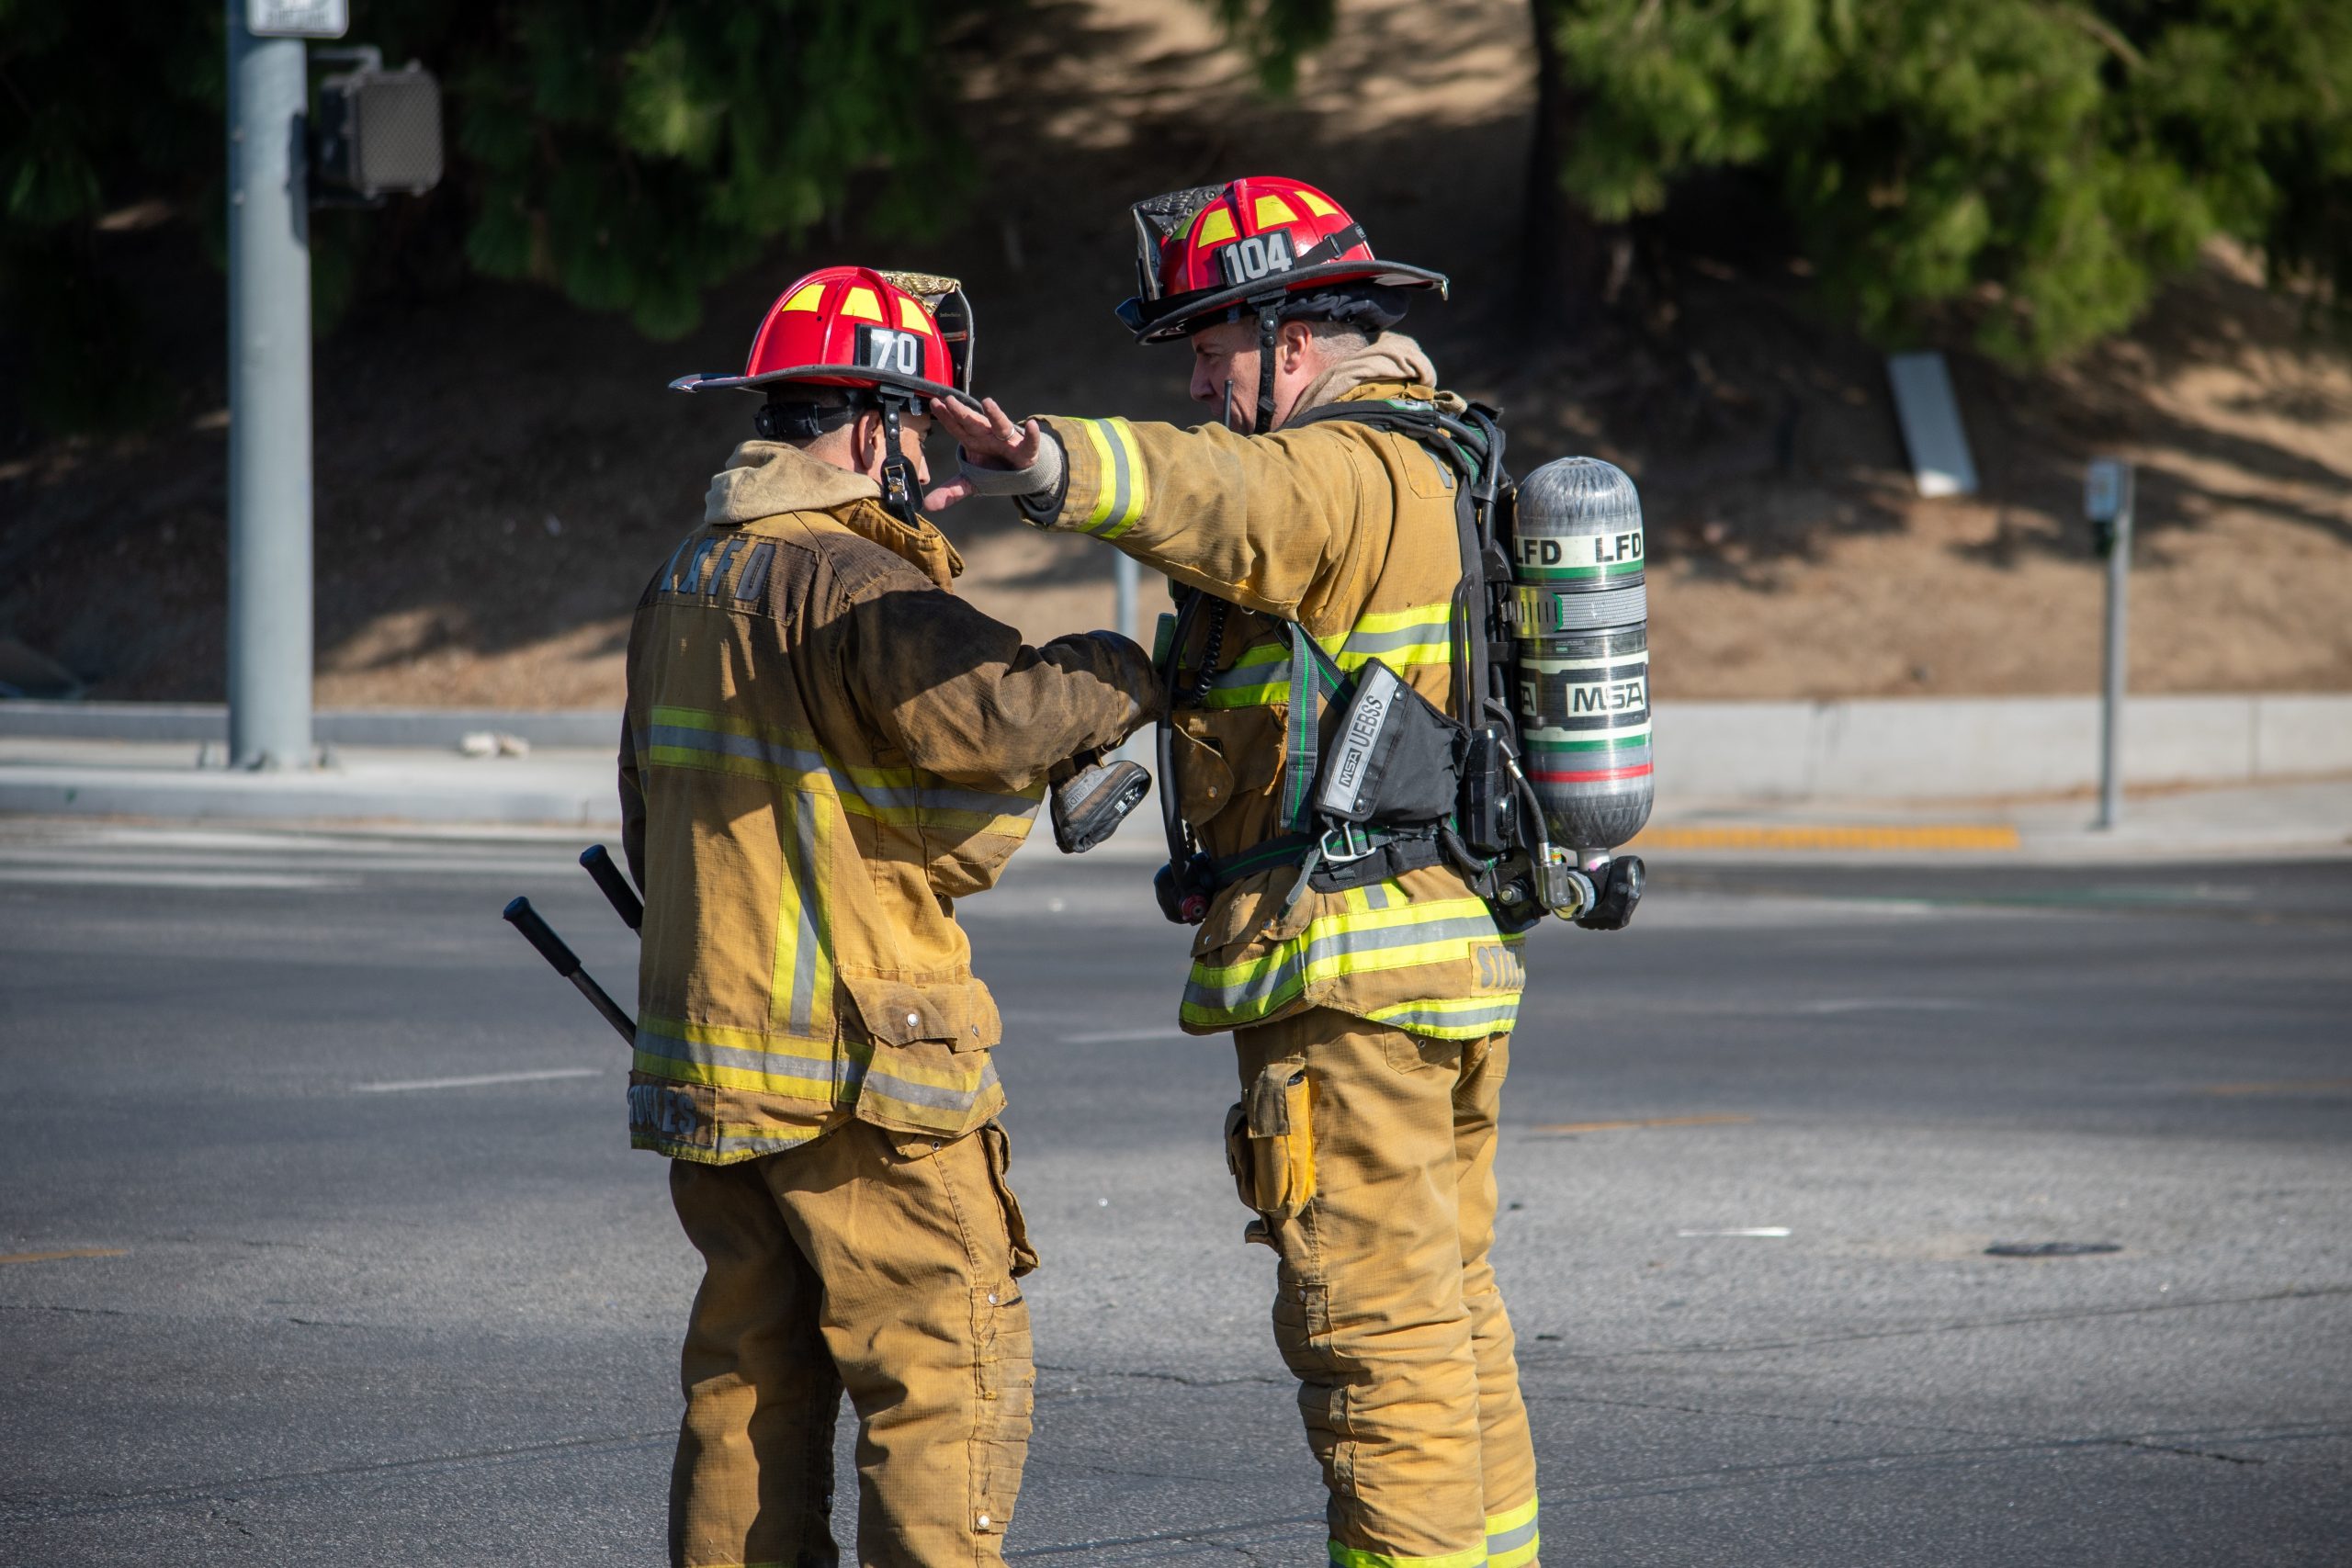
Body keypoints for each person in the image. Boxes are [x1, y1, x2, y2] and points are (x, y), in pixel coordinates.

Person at [931, 177, 1546, 1568]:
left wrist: (1042, 459)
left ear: (1298, 331)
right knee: (1447, 1316)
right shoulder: (1435, 458)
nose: (1202, 382)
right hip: (1442, 965)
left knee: (1372, 1351)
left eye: (1214, 345)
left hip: (1351, 984)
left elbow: (1217, 498)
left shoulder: (1335, 468)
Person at [623, 264, 1160, 1568]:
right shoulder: (854, 581)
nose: (931, 461)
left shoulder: (688, 579)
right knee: (941, 1382)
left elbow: (653, 819)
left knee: (748, 1396)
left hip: (717, 1078)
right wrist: (1124, 670)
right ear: (873, 427)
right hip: (862, 1084)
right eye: (919, 428)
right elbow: (998, 720)